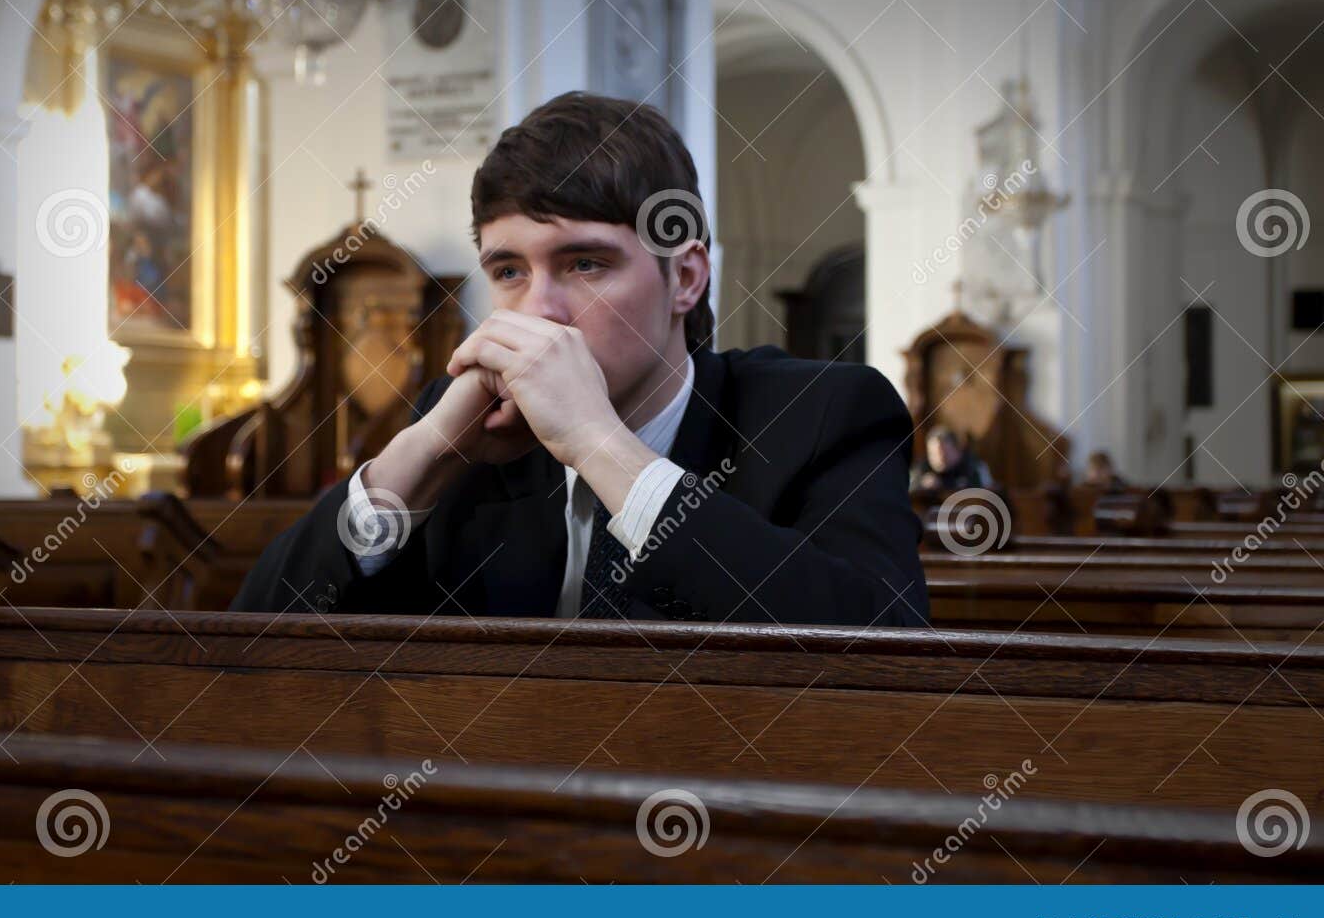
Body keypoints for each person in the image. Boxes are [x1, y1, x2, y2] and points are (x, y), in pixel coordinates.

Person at [233, 91, 927, 627]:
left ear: (685, 278)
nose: (539, 309)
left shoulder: (823, 414)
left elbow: (882, 651)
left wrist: (600, 445)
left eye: (585, 263)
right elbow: (247, 651)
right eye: (508, 272)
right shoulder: (464, 440)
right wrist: (412, 465)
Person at [909, 426, 993, 493]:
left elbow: (986, 494)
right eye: (933, 454)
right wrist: (921, 485)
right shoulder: (921, 468)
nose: (939, 458)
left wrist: (944, 485)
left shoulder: (974, 467)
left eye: (944, 453)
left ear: (957, 451)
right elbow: (907, 491)